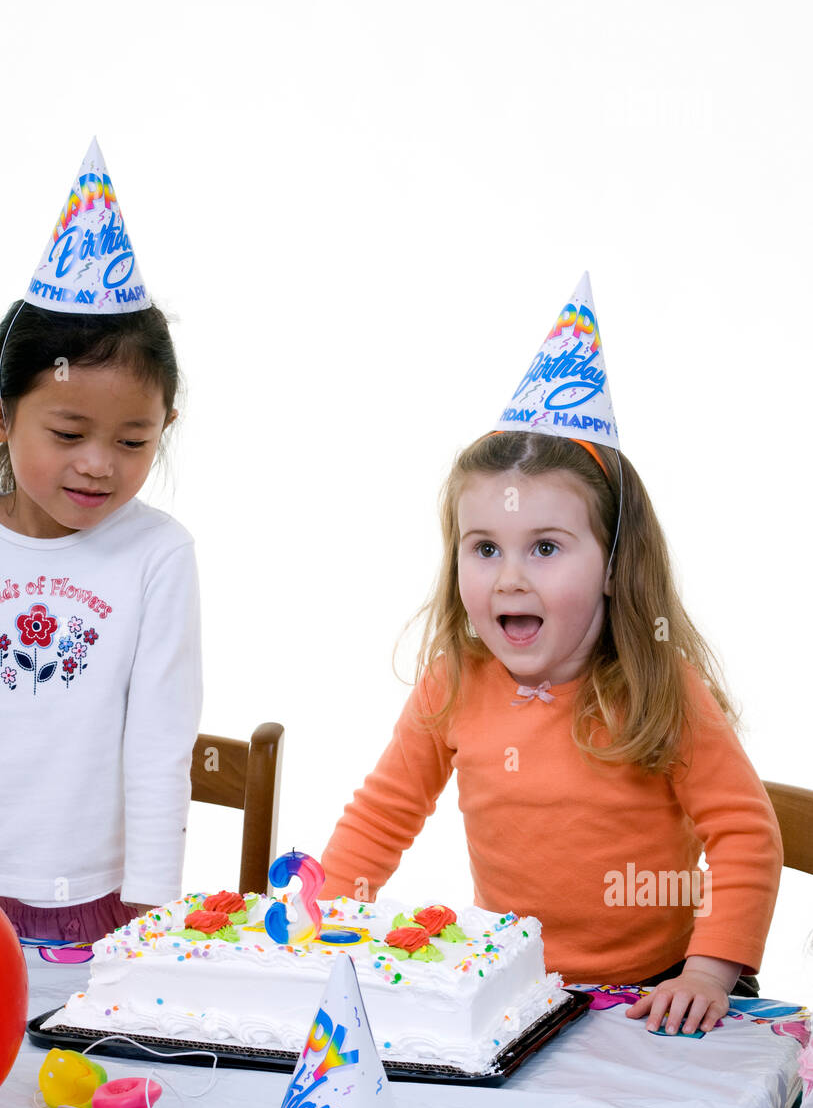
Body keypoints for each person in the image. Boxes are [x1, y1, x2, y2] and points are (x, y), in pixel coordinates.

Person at [319, 419, 782, 1036]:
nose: (509, 578)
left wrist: (707, 973)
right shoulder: (452, 680)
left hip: (662, 988)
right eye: (485, 549)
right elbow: (382, 817)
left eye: (544, 548)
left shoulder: (662, 686)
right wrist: (320, 926)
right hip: (517, 988)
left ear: (614, 566)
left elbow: (744, 834)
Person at [0, 140, 202, 944]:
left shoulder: (158, 556)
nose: (100, 465)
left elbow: (160, 745)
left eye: (134, 440)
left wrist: (151, 915)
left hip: (104, 906)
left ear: (165, 426)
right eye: (69, 433)